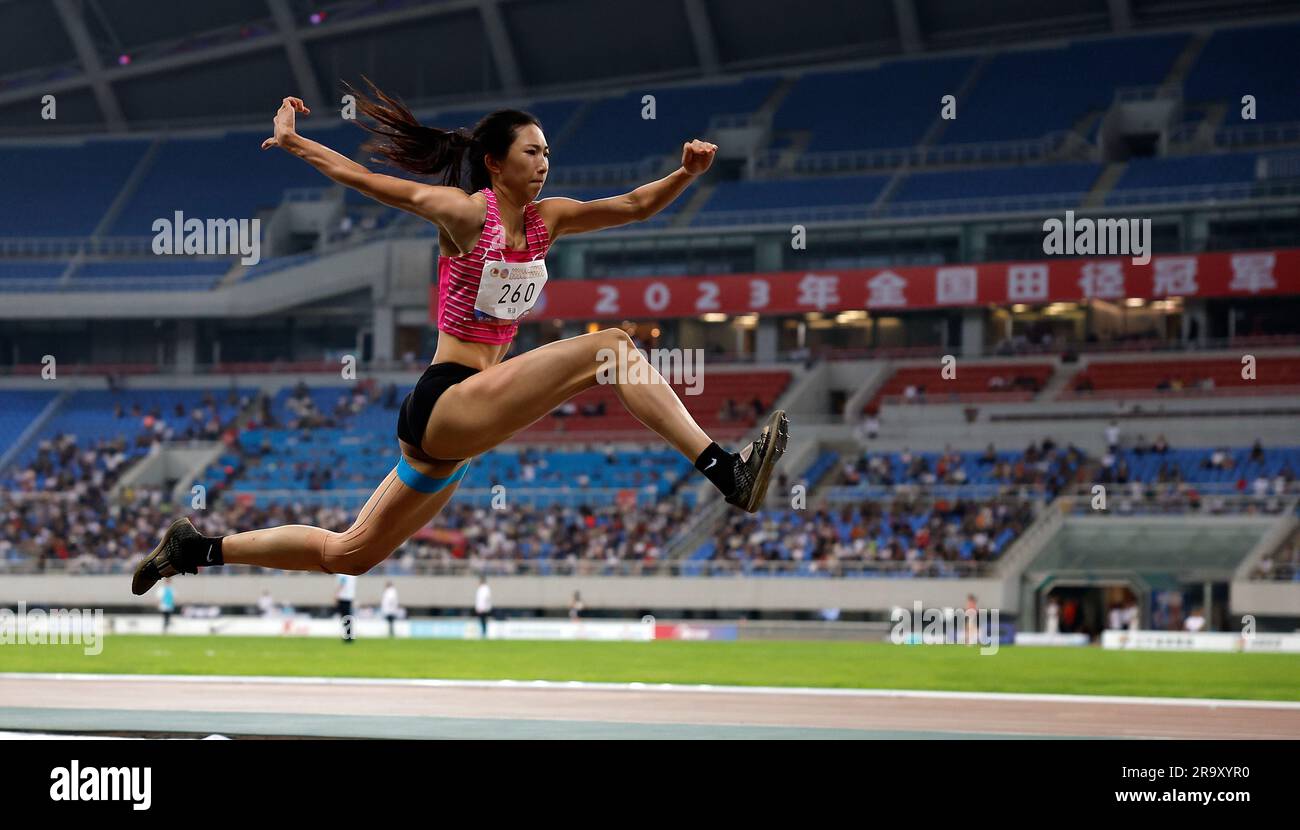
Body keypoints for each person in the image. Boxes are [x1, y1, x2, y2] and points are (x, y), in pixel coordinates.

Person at [131, 90, 788, 597]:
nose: (545, 163)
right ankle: (726, 472)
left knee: (351, 555)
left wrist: (684, 174)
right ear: (495, 162)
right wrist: (295, 143)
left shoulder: (548, 219)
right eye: (532, 153)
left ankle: (195, 549)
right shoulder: (466, 214)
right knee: (610, 348)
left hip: (459, 429)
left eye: (550, 153)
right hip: (445, 401)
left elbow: (634, 206)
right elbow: (372, 184)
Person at [336, 572, 357, 643]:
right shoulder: (352, 575)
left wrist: (336, 594)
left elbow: (342, 583)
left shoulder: (343, 574)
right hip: (349, 597)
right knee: (348, 617)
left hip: (343, 597)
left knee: (345, 618)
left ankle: (348, 636)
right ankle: (349, 635)